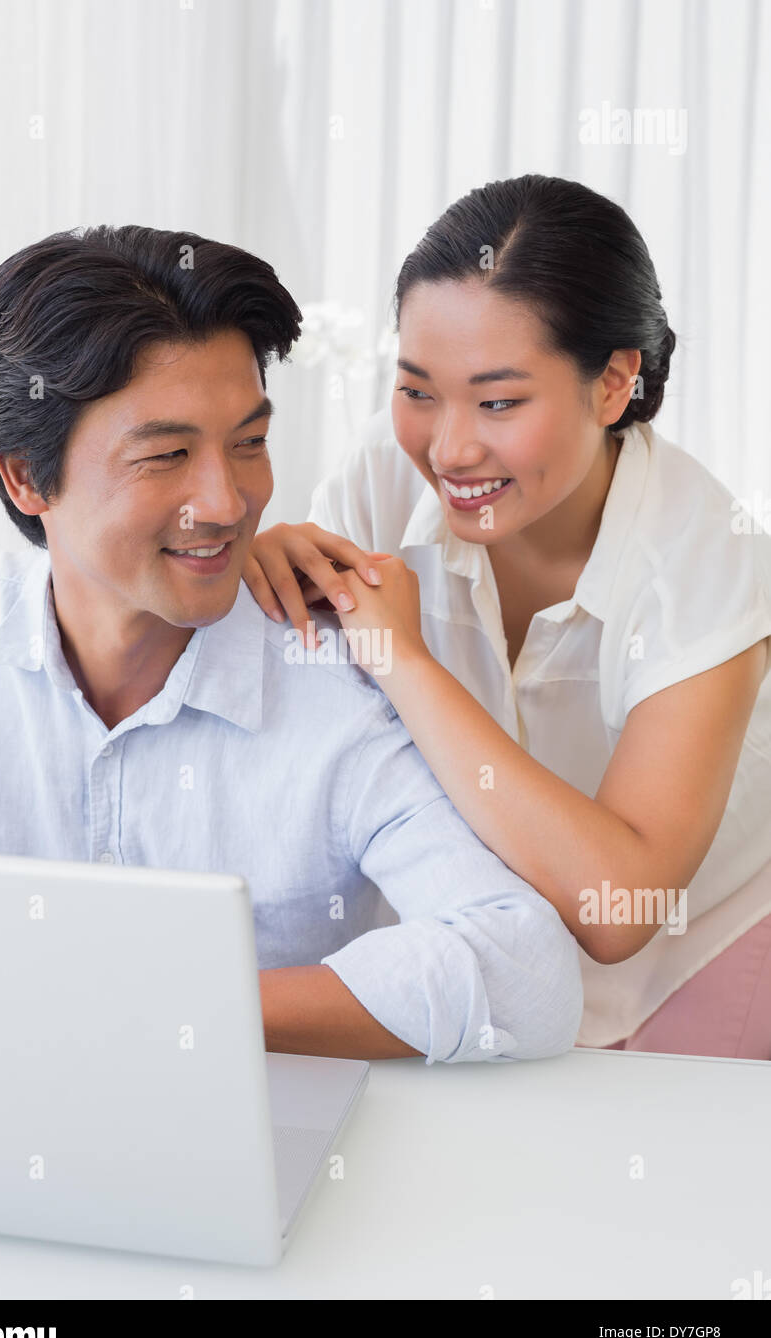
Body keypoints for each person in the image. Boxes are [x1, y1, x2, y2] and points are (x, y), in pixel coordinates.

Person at [0, 223, 583, 1067]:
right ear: (24, 476)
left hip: (278, 1137)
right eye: (166, 455)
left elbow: (528, 978)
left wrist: (168, 1009)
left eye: (249, 444)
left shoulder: (336, 676)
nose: (227, 501)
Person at [243, 174, 771, 1059]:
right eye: (417, 390)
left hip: (695, 956)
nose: (449, 448)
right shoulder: (385, 471)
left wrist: (403, 659)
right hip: (479, 953)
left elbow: (621, 907)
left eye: (498, 402)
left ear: (612, 384)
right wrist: (261, 579)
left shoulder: (708, 559)